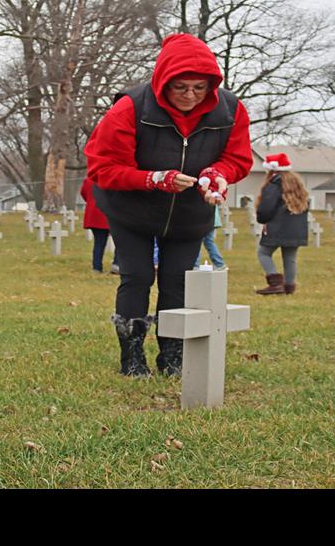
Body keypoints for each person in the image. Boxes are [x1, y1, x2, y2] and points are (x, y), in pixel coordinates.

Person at [85, 34, 253, 377]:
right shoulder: (130, 108)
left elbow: (237, 158)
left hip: (190, 213)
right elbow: (101, 168)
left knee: (178, 280)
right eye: (181, 87)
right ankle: (132, 356)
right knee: (138, 276)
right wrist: (153, 179)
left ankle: (172, 356)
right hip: (132, 209)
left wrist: (217, 174)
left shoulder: (231, 110)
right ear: (163, 82)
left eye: (200, 87)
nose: (191, 95)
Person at [254, 153, 308, 295]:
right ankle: (289, 287)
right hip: (296, 227)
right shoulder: (297, 184)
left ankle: (276, 283)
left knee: (263, 253)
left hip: (277, 226)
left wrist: (262, 219)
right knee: (290, 258)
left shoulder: (274, 184)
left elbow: (266, 207)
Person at [80, 175, 113, 274]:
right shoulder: (111, 177)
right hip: (110, 212)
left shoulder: (89, 180)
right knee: (120, 241)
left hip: (94, 214)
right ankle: (117, 264)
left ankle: (97, 267)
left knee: (99, 242)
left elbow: (84, 193)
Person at [200, 201, 226, 269]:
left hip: (206, 221)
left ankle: (195, 264)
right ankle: (219, 263)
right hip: (212, 220)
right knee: (209, 242)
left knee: (198, 242)